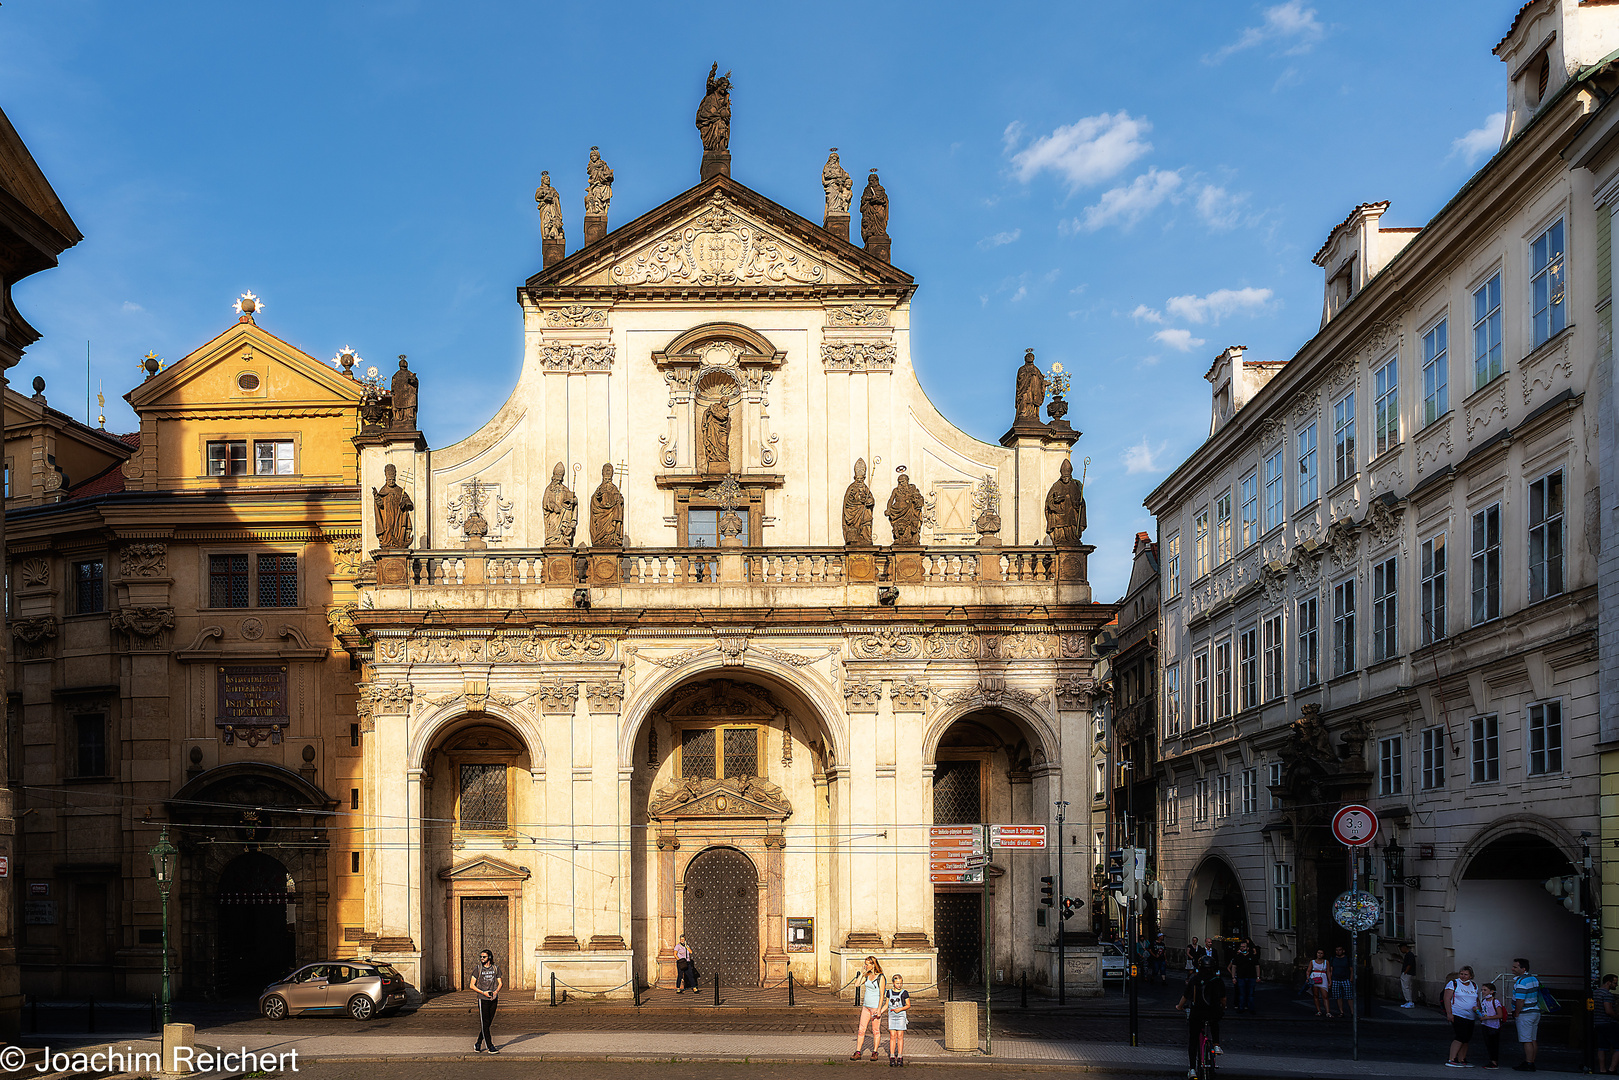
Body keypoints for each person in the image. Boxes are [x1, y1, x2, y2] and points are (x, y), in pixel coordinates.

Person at [1176, 953, 1226, 1080]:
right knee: (1215, 1022)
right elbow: (1223, 998)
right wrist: (1223, 1006)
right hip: (1212, 1011)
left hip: (1197, 1013)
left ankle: (1192, 1069)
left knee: (1193, 1040)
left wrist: (1179, 1006)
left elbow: (1185, 996)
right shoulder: (1217, 980)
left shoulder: (1194, 980)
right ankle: (1216, 1044)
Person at [1443, 965, 1480, 1068]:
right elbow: (1447, 998)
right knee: (1460, 1036)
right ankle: (1452, 1059)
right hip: (1458, 1014)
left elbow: (1476, 999)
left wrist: (1479, 1010)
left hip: (1470, 1016)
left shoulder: (1474, 985)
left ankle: (1462, 1059)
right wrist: (1449, 1013)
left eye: (1466, 974)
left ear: (1471, 976)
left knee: (1467, 1038)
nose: (1463, 976)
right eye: (1461, 974)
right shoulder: (1453, 983)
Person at [850, 956, 886, 1061]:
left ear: (873, 965)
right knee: (861, 1030)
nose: (865, 966)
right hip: (866, 1007)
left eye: (867, 964)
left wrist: (879, 1009)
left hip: (875, 1007)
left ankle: (875, 1052)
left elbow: (882, 994)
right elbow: (857, 984)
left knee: (875, 1030)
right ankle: (858, 1052)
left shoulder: (880, 977)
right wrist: (862, 973)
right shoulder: (867, 976)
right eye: (865, 964)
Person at [1508, 957, 1540, 1071]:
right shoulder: (1533, 979)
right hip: (1535, 1011)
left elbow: (1520, 1000)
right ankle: (1531, 1061)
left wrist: (1516, 1013)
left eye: (1515, 967)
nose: (1512, 969)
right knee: (1532, 1039)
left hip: (1525, 1014)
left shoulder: (1521, 982)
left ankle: (1529, 1063)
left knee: (1526, 1040)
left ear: (1523, 969)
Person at [470, 949, 503, 1054]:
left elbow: (500, 983)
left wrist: (496, 992)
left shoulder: (495, 968)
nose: (482, 958)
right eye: (481, 957)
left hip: (493, 998)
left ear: (489, 957)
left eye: (484, 957)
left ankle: (478, 1043)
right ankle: (490, 1046)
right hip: (483, 999)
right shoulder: (478, 969)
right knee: (485, 1022)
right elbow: (471, 985)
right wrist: (483, 992)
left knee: (488, 1023)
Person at [1479, 982, 1506, 1070]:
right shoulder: (1484, 1001)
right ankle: (1492, 1060)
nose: (1483, 992)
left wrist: (1487, 1018)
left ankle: (1494, 1062)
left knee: (1493, 1044)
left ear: (1491, 991)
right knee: (1488, 1044)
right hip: (1485, 1025)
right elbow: (1483, 1012)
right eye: (1482, 990)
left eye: (1485, 990)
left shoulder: (1495, 1002)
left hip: (1494, 1026)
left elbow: (1500, 1015)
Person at [1595, 973, 1618, 1075]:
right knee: (1618, 1047)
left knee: (1602, 1047)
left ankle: (1602, 1069)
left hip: (1598, 1023)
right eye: (1615, 983)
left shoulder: (1594, 993)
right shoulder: (1607, 995)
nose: (1616, 985)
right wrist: (1617, 1016)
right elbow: (1608, 1011)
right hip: (1608, 1023)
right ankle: (1612, 1069)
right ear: (1608, 983)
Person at [885, 973, 910, 1066]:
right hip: (892, 1016)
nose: (899, 985)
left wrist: (901, 1008)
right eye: (897, 983)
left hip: (901, 1016)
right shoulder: (889, 992)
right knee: (892, 1035)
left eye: (901, 983)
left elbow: (908, 1005)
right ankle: (892, 1056)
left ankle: (900, 1056)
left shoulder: (904, 993)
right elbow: (886, 1004)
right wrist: (879, 1011)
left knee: (900, 1035)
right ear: (893, 983)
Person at [1228, 940, 1260, 1013]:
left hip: (1251, 977)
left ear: (1247, 948)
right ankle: (1241, 1008)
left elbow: (1257, 966)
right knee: (1241, 993)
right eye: (1241, 947)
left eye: (1244, 947)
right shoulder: (1237, 956)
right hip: (1241, 977)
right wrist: (1233, 977)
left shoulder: (1252, 956)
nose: (1242, 948)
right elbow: (1234, 967)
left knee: (1250, 994)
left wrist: (1258, 976)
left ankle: (1251, 1008)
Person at [1329, 944, 1354, 1018]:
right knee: (1338, 996)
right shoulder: (1333, 959)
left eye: (1340, 950)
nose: (1338, 952)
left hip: (1346, 979)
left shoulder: (1347, 959)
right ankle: (1341, 1012)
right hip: (1335, 979)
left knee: (1349, 996)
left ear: (1343, 951)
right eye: (1337, 950)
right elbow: (1331, 970)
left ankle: (1352, 1012)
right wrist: (1330, 980)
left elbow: (1351, 969)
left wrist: (1351, 978)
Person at [1308, 948, 1331, 1017]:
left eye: (1321, 953)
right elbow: (1308, 970)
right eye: (1318, 953)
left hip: (1323, 978)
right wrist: (1308, 977)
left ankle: (1328, 1012)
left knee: (1325, 996)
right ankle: (1319, 1011)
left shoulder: (1326, 962)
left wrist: (1330, 981)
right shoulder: (1312, 962)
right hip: (1314, 977)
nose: (1319, 954)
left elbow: (1328, 972)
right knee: (1316, 995)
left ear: (1323, 954)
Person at [1400, 943, 1418, 1008]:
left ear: (1404, 947)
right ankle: (1408, 1001)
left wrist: (1405, 972)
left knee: (1406, 987)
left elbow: (1409, 964)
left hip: (1407, 973)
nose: (1401, 950)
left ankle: (1409, 1001)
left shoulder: (1409, 955)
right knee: (1407, 987)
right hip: (1408, 973)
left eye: (1401, 948)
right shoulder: (1409, 955)